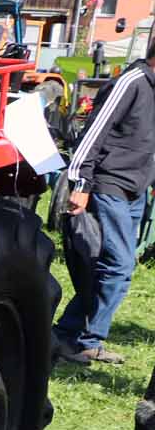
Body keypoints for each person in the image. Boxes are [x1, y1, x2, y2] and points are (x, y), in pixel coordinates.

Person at [54, 51, 155, 365]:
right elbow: (93, 132)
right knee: (119, 266)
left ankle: (68, 335)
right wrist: (81, 184)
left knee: (111, 267)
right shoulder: (131, 82)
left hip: (136, 188)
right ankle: (85, 339)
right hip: (109, 183)